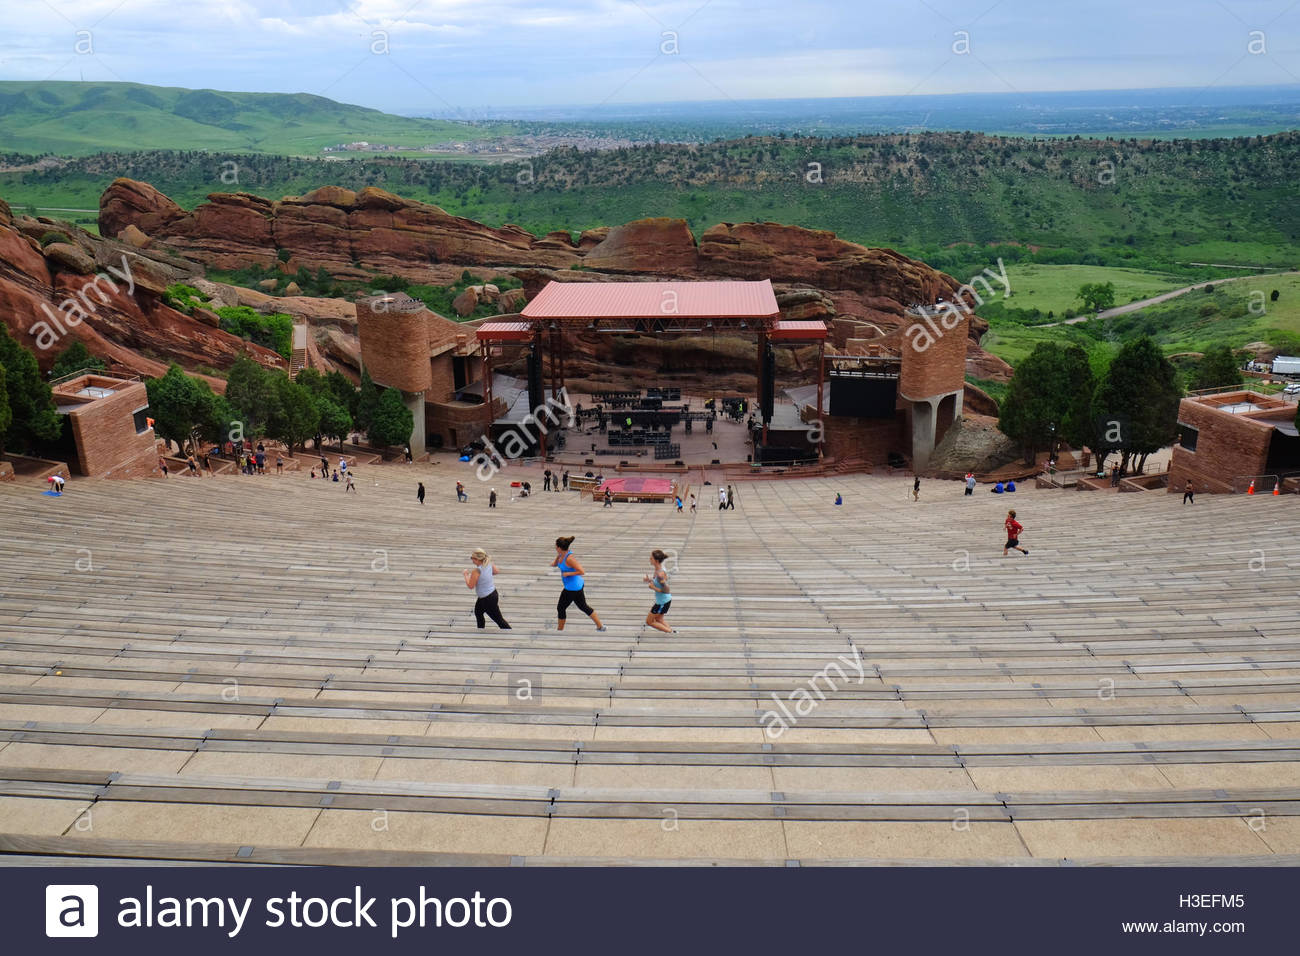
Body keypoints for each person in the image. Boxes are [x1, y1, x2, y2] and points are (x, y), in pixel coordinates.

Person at [552, 536, 606, 631]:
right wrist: (555, 561)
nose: (555, 548)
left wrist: (568, 573)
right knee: (583, 606)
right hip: (575, 586)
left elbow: (581, 571)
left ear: (560, 548)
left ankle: (559, 630)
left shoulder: (569, 559)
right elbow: (556, 563)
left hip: (572, 588)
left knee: (560, 608)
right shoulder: (561, 555)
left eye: (556, 547)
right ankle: (600, 626)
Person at [464, 548, 510, 629]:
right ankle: (480, 630)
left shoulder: (477, 571)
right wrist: (486, 576)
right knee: (478, 612)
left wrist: (466, 575)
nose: (472, 560)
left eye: (472, 558)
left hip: (487, 599)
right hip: (492, 594)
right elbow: (496, 571)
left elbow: (470, 586)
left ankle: (510, 632)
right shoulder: (489, 564)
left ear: (477, 559)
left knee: (499, 620)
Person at [644, 549, 675, 634]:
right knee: (659, 619)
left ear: (656, 561)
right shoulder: (659, 569)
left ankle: (669, 631)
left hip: (662, 601)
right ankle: (672, 632)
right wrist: (650, 580)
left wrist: (653, 587)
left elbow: (666, 590)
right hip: (663, 600)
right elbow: (659, 582)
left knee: (649, 621)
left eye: (651, 558)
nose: (649, 559)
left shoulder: (660, 574)